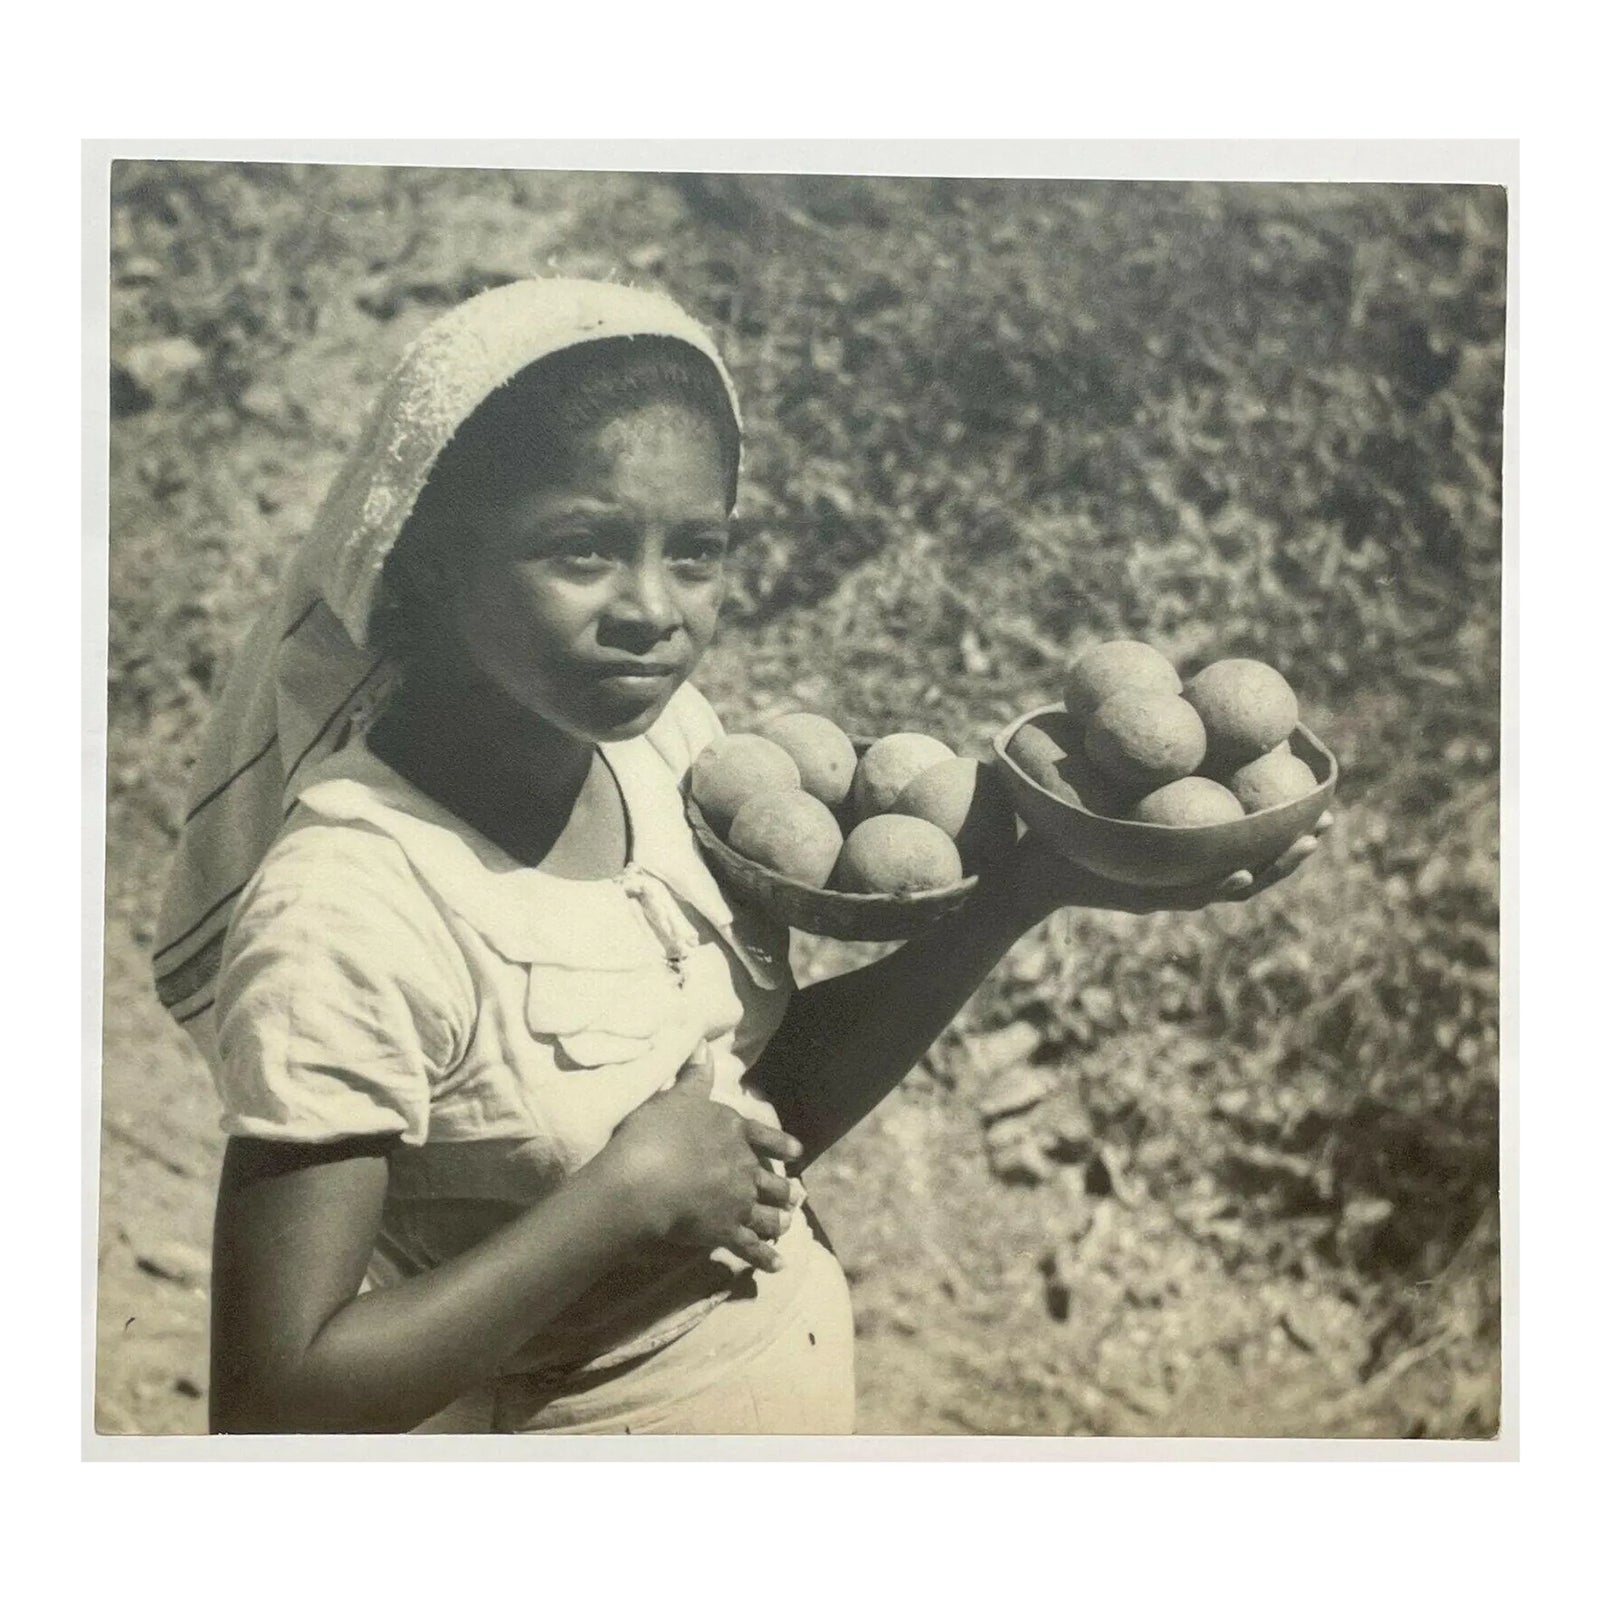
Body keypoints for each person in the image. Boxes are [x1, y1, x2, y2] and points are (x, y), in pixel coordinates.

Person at [152, 278, 1324, 1435]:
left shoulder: (666, 748)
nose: (653, 610)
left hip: (774, 1374)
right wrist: (617, 1202)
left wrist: (1030, 885)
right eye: (582, 550)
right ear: (428, 561)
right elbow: (274, 1406)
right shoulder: (350, 909)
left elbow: (759, 1107)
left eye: (696, 552)